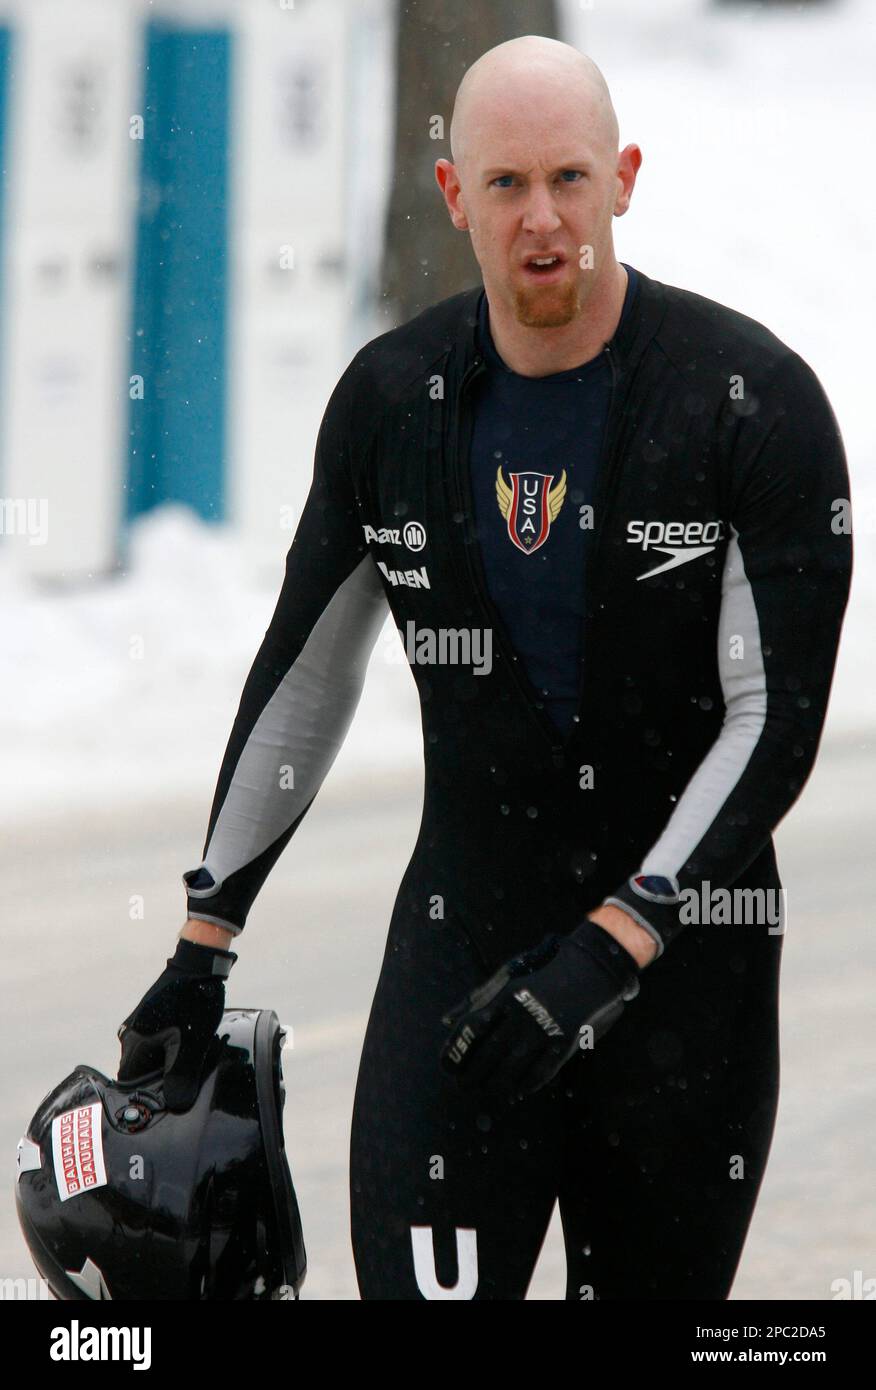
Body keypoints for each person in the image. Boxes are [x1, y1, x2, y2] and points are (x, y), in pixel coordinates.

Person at [117, 36, 853, 1299]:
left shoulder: (749, 402)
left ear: (624, 178)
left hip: (686, 991)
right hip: (462, 972)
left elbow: (771, 718)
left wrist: (620, 941)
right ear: (454, 194)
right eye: (505, 184)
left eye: (570, 177)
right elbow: (304, 680)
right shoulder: (392, 402)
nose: (544, 218)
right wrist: (202, 942)